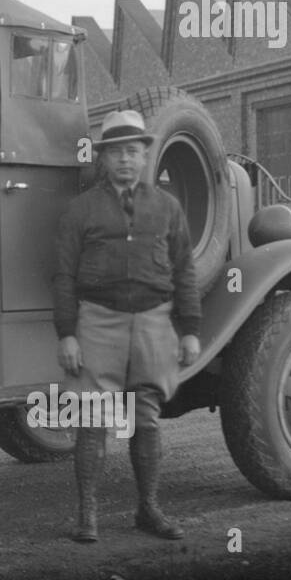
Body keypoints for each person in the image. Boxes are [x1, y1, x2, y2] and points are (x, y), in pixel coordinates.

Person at [52, 109, 202, 542]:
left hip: (155, 323)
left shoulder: (167, 207)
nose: (125, 160)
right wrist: (67, 333)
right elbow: (62, 276)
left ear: (144, 156)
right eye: (116, 152)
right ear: (104, 159)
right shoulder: (81, 210)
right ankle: (87, 516)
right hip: (98, 323)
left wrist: (189, 328)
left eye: (133, 152)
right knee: (94, 421)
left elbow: (185, 271)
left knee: (146, 420)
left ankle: (149, 509)